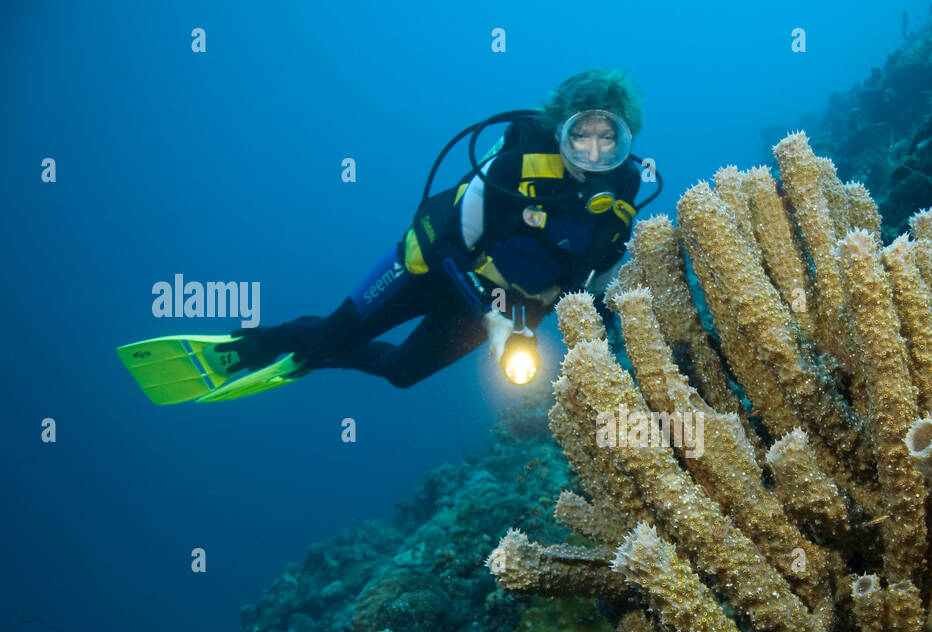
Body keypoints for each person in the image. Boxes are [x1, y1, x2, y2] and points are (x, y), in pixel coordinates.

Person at [118, 69, 651, 403]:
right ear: (561, 128)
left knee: (402, 373)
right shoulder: (514, 168)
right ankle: (266, 342)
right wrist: (494, 321)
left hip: (507, 306)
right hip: (431, 269)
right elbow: (447, 243)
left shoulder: (620, 201)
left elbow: (598, 285)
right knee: (329, 336)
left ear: (628, 140)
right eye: (582, 133)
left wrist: (608, 356)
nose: (594, 151)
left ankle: (319, 353)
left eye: (611, 138)